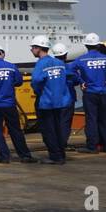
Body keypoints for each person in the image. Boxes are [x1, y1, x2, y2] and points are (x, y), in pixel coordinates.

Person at [0, 43, 35, 163]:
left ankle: (4, 157)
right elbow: (19, 82)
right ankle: (25, 156)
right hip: (9, 103)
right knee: (15, 130)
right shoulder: (11, 67)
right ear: (3, 53)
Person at [69, 33, 106, 153]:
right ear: (98, 45)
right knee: (105, 120)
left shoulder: (81, 59)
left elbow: (70, 70)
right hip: (104, 93)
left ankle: (92, 146)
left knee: (91, 120)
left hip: (90, 93)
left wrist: (81, 81)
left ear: (86, 46)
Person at [29, 35, 70, 164]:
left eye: (33, 47)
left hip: (46, 102)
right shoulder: (59, 63)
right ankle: (61, 154)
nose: (31, 50)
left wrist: (37, 91)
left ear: (38, 48)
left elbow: (36, 81)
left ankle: (55, 157)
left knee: (48, 131)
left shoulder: (41, 64)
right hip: (61, 102)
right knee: (58, 129)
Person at [52, 42, 78, 148]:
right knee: (65, 123)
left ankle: (55, 143)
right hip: (68, 99)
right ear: (66, 55)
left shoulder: (50, 68)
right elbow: (77, 80)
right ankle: (63, 144)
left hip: (53, 99)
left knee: (55, 122)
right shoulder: (69, 68)